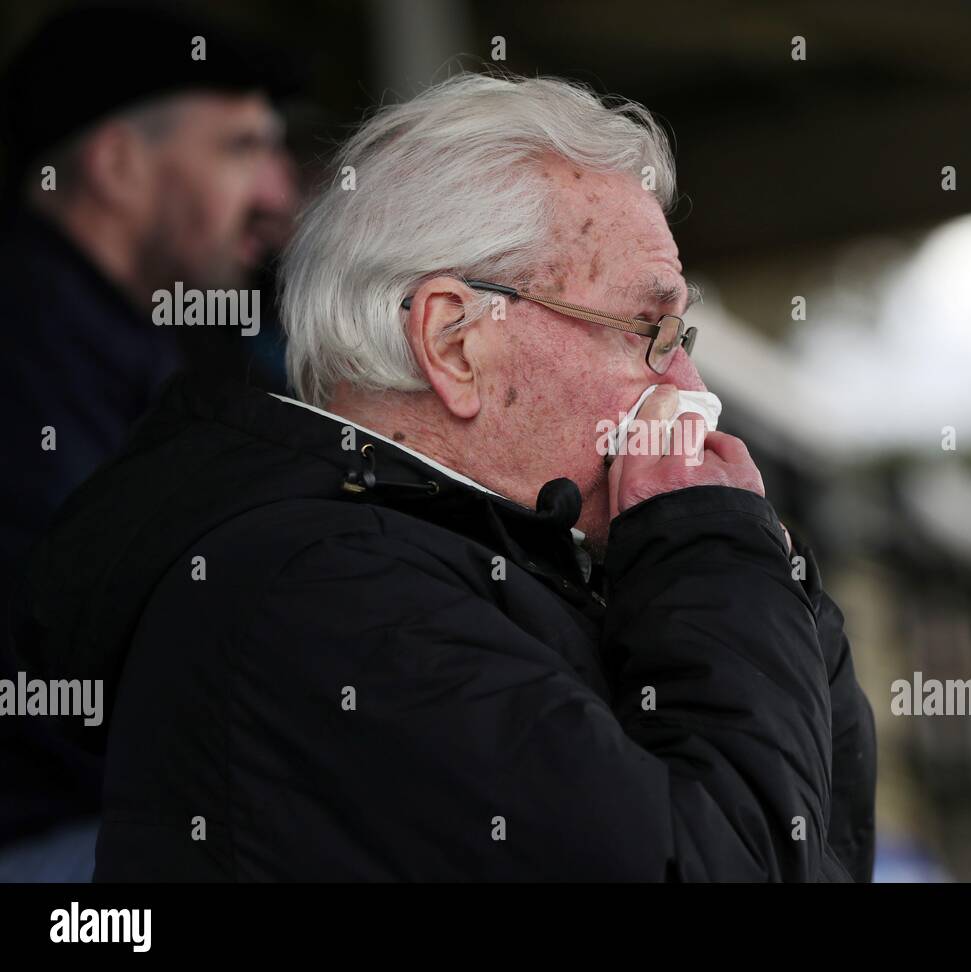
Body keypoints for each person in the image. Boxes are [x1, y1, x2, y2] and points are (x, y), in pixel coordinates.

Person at [14, 72, 876, 881]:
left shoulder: (476, 566)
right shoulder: (329, 595)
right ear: (457, 343)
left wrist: (743, 565)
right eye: (647, 330)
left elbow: (808, 846)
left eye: (680, 342)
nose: (688, 391)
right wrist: (714, 553)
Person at [0, 3, 296, 878]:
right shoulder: (27, 355)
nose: (278, 193)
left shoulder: (149, 337)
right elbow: (67, 669)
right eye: (241, 148)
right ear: (118, 165)